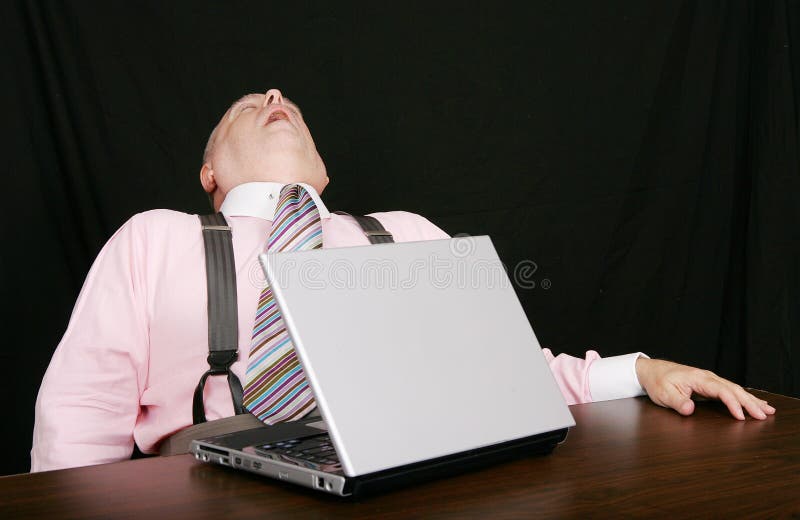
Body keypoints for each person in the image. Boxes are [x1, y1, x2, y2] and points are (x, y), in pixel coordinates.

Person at [31, 89, 775, 472]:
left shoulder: (407, 233)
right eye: (245, 108)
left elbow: (510, 377)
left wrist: (643, 371)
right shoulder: (154, 239)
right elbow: (74, 432)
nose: (272, 96)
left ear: (324, 173)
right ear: (210, 175)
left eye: (288, 108)